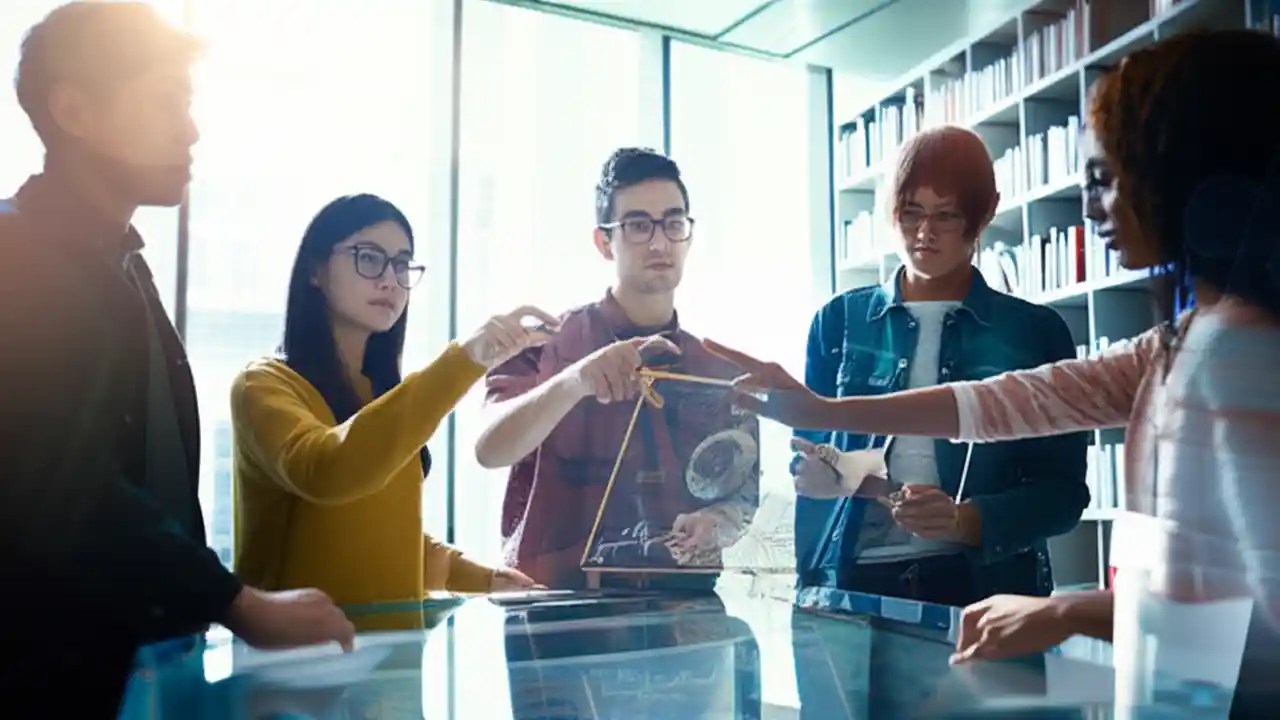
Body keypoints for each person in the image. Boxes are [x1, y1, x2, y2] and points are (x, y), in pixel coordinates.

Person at [707, 28, 1280, 715]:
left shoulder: (1233, 356)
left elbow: (1258, 632)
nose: (1090, 205)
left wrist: (1071, 615)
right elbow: (1007, 402)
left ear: (1183, 177)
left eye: (1104, 177)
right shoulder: (1184, 343)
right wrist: (823, 414)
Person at [0, 2, 352, 710]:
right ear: (75, 111)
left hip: (127, 672)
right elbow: (59, 487)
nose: (189, 129)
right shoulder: (21, 256)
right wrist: (237, 601)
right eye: (166, 101)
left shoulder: (122, 262)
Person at [790, 125, 1090, 607]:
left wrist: (966, 520)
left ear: (984, 213)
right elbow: (812, 458)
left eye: (946, 216)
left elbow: (1064, 494)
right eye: (910, 214)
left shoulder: (1035, 332)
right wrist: (816, 473)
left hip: (986, 587)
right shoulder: (838, 322)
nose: (924, 234)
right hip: (849, 585)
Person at [232, 194, 550, 605]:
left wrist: (485, 579)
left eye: (402, 264)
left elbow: (382, 538)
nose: (389, 280)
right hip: (296, 662)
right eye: (369, 258)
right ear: (315, 269)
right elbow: (327, 471)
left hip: (394, 662)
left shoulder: (381, 395)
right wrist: (465, 358)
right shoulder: (262, 385)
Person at [474, 147, 761, 590]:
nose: (660, 243)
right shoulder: (547, 344)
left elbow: (739, 495)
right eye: (638, 226)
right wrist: (576, 381)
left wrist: (714, 523)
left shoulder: (715, 368)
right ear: (604, 241)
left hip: (684, 616)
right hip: (560, 613)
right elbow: (489, 448)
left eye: (673, 223)